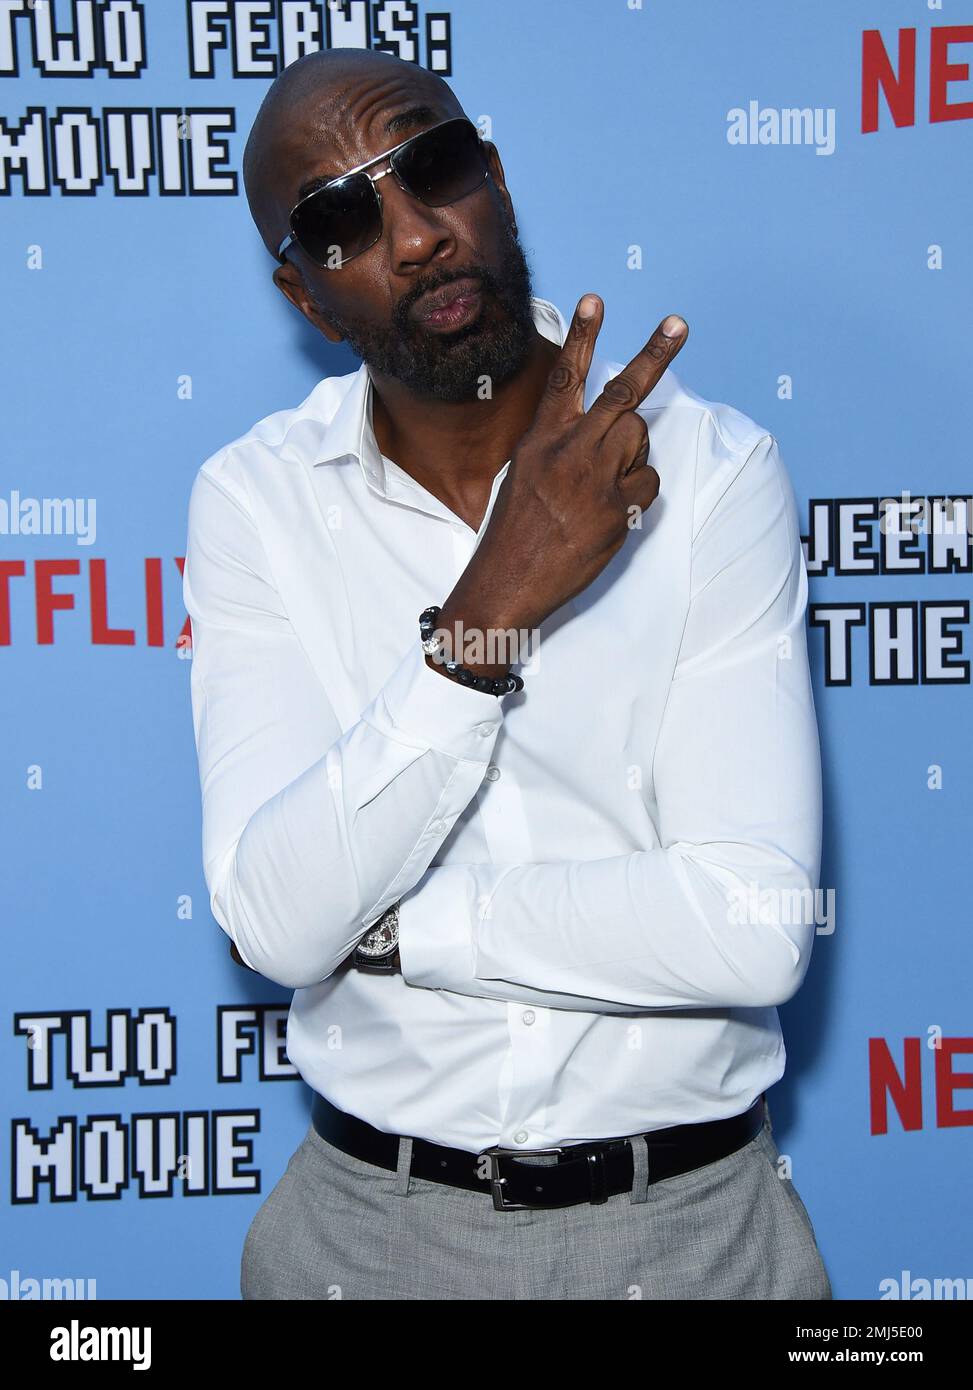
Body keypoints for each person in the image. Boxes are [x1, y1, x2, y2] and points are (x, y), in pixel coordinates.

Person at [183, 46, 832, 1300]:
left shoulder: (710, 469)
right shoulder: (254, 501)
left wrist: (402, 932)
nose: (417, 233)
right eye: (340, 218)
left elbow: (754, 933)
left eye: (432, 164)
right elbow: (273, 924)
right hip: (364, 1242)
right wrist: (489, 611)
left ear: (495, 172)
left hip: (693, 1238)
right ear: (307, 299)